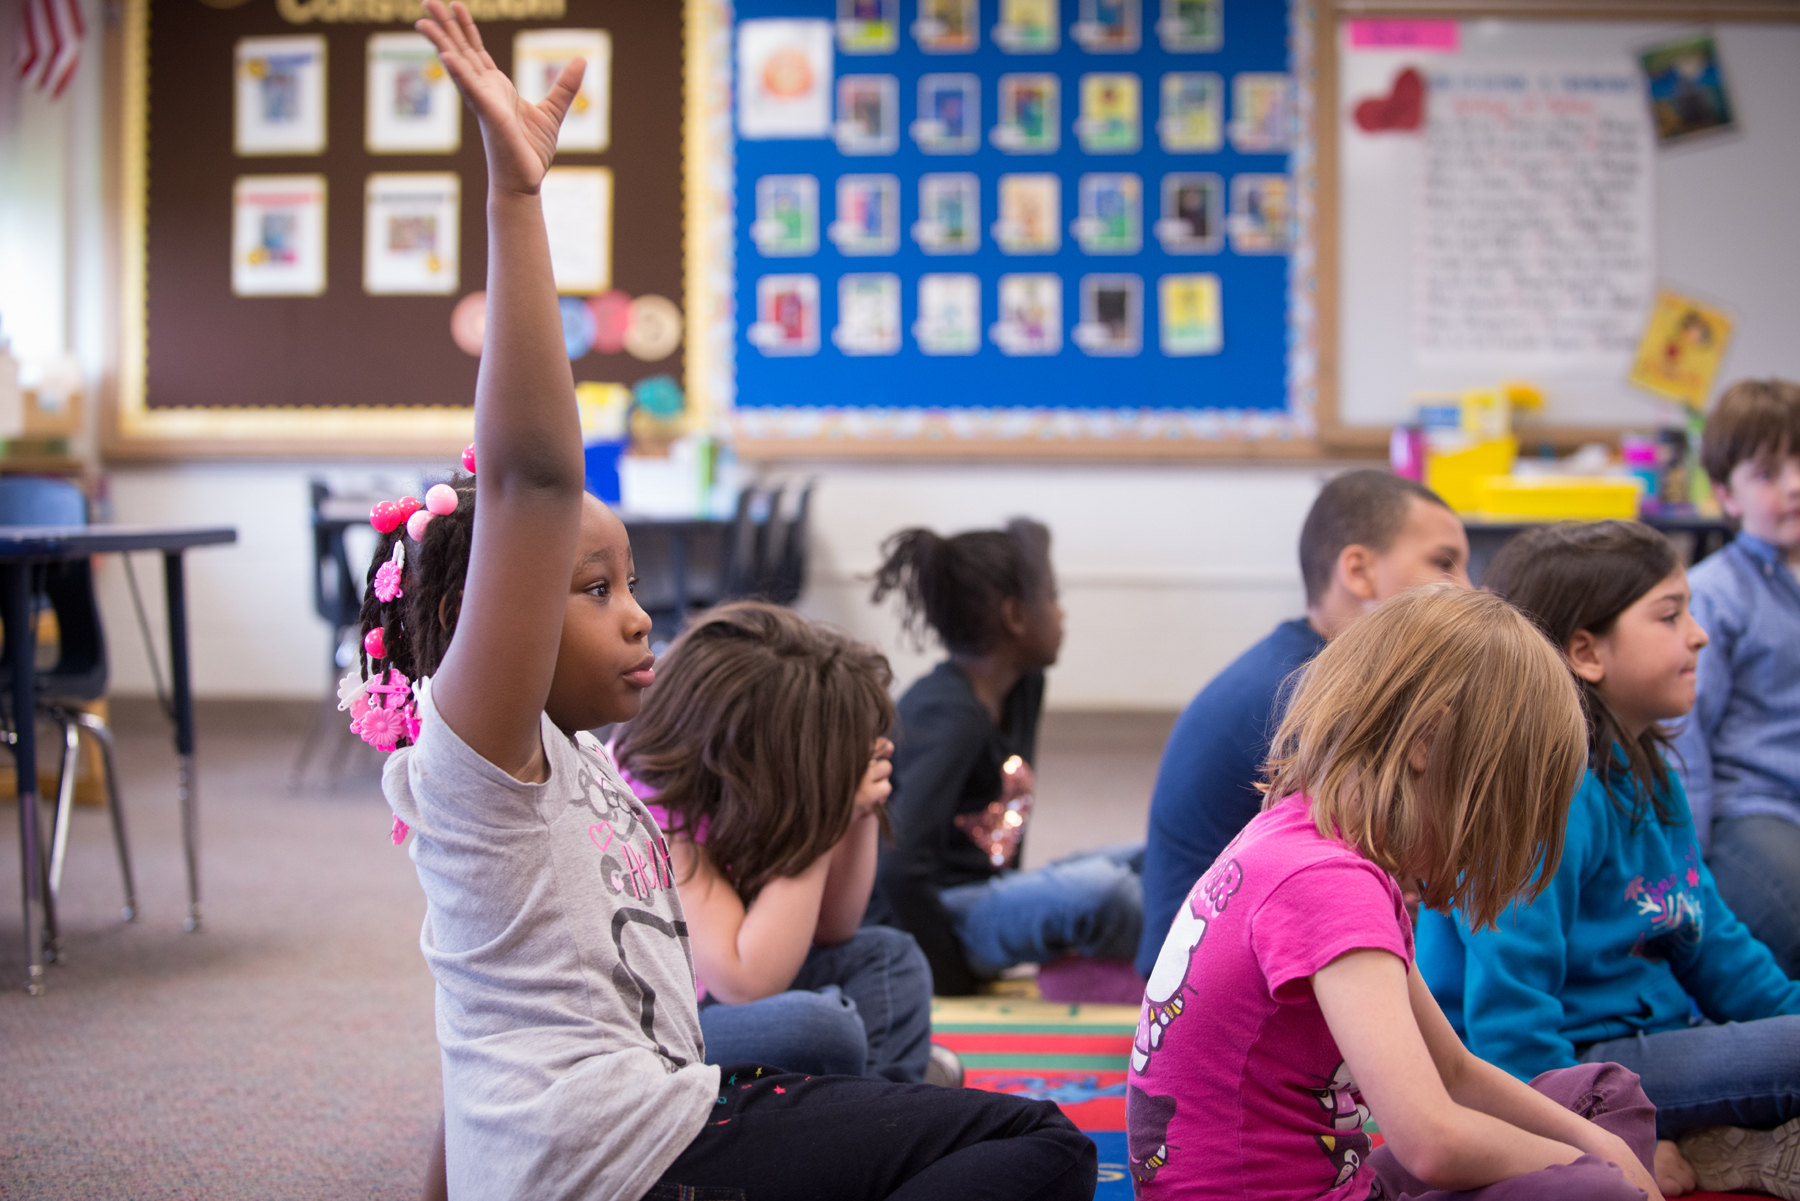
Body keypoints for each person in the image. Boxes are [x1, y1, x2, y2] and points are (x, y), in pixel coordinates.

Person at [373, 9, 1097, 1198]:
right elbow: (533, 479)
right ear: (487, 626)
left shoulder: (590, 768)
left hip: (660, 1112)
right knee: (1043, 1146)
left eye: (633, 585)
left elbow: (477, 1056)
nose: (640, 615)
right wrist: (516, 199)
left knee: (912, 1077)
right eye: (593, 588)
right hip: (629, 1156)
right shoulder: (480, 773)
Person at [1128, 585, 1666, 1201]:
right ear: (1426, 744)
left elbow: (1455, 1072)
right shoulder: (1327, 884)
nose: (1499, 838)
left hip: (1337, 1178)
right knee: (1597, 1191)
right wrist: (1586, 1168)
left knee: (1605, 1101)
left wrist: (1600, 1150)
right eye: (1502, 802)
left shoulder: (1309, 835)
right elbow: (1429, 1144)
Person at [1417, 521, 1800, 1200]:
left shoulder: (1649, 766)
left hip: (1646, 1043)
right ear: (1586, 651)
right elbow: (1508, 1025)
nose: (1698, 634)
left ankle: (1728, 1144)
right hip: (1568, 1073)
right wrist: (1603, 1143)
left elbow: (1712, 942)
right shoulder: (1547, 793)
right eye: (1670, 614)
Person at [1135, 469, 1470, 979]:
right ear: (1358, 572)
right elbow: (1393, 883)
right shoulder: (1312, 696)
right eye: (1444, 563)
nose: (1468, 588)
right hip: (1204, 980)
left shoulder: (1318, 668)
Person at [610, 601, 941, 1084]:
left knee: (890, 958)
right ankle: (878, 1098)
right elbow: (747, 981)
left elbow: (834, 927)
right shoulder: (657, 807)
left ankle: (878, 1105)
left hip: (723, 994)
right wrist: (825, 814)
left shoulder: (740, 792)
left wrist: (858, 812)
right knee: (818, 1027)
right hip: (657, 1033)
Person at [867, 519, 1143, 999]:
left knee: (1156, 856)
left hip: (988, 891)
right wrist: (951, 978)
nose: (1062, 614)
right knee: (1107, 893)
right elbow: (896, 867)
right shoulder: (949, 717)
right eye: (1053, 598)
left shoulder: (1023, 687)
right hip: (940, 922)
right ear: (1015, 616)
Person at [1672, 378, 1800, 976]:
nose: (1794, 484)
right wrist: (1686, 870)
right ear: (1726, 494)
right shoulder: (1715, 596)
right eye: (1769, 473)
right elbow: (1686, 737)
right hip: (1754, 807)